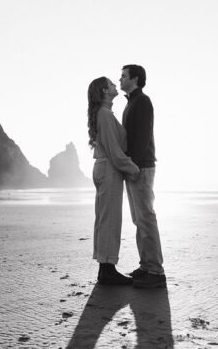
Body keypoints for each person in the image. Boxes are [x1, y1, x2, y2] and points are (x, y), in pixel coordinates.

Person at [87, 76, 140, 285]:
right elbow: (114, 151)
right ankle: (107, 269)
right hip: (109, 168)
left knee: (104, 218)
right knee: (110, 219)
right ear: (103, 91)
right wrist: (133, 169)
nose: (114, 85)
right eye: (110, 84)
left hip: (103, 167)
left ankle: (105, 268)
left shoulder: (103, 114)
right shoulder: (105, 115)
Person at [119, 64, 166, 288]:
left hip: (141, 167)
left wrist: (133, 165)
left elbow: (144, 136)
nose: (120, 79)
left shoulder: (143, 101)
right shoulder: (131, 103)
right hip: (135, 167)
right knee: (139, 219)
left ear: (135, 79)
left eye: (123, 76)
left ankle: (156, 271)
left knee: (146, 217)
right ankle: (146, 265)